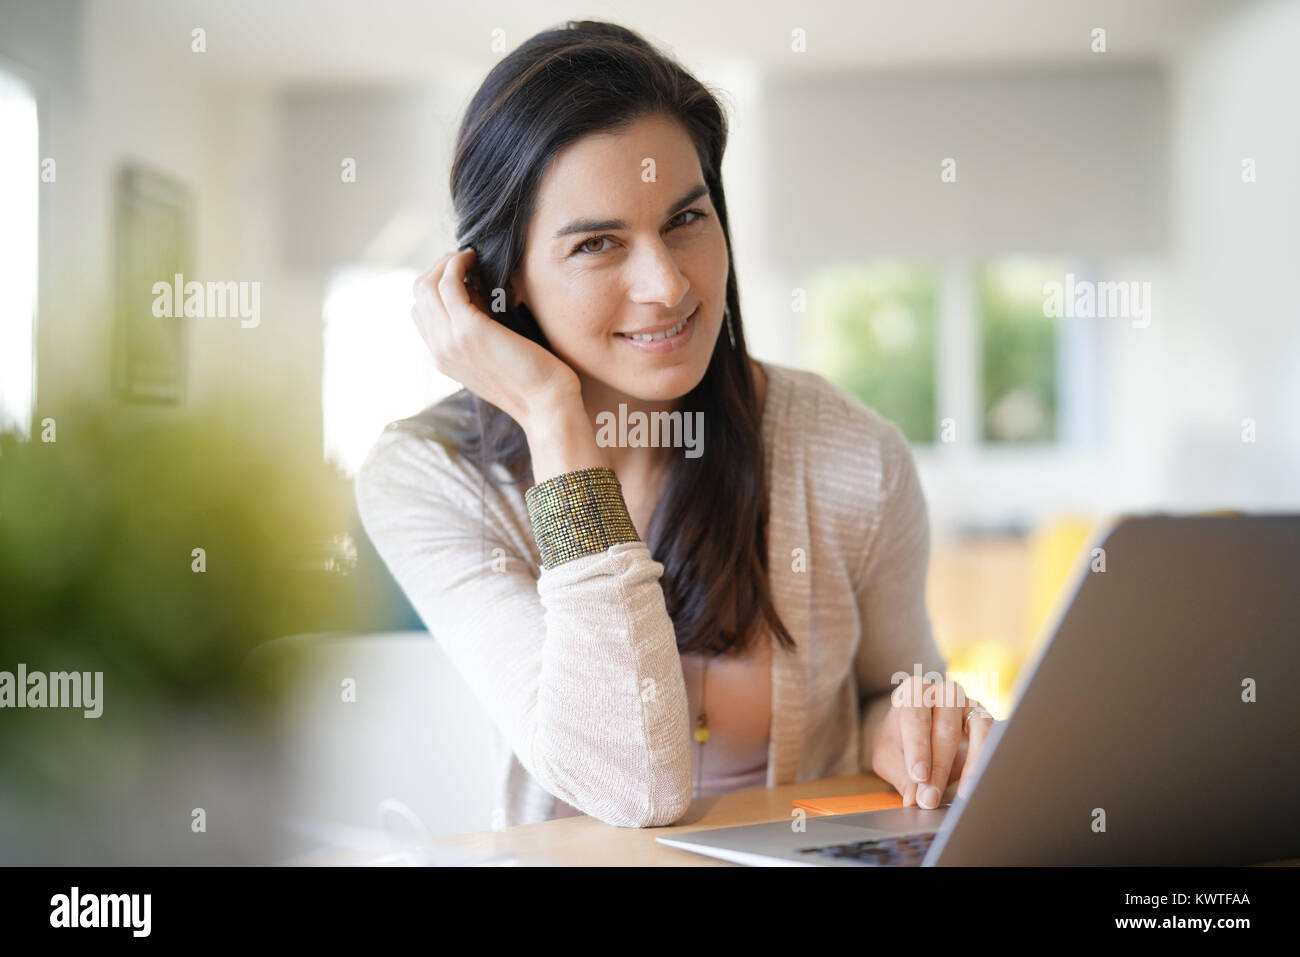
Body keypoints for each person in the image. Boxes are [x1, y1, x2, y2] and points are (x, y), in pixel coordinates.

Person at [355, 19, 996, 829]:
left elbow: (888, 689)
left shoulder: (849, 455)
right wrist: (554, 417)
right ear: (498, 282)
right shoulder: (427, 478)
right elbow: (632, 786)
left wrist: (914, 729)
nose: (667, 284)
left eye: (686, 219)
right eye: (596, 244)